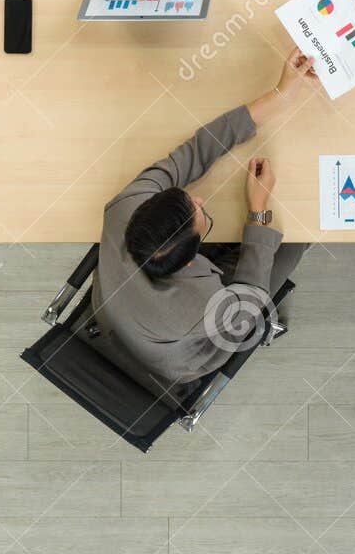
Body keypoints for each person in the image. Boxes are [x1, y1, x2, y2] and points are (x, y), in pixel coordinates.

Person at [93, 48, 318, 386]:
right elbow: (247, 302)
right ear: (188, 262)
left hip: (121, 315)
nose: (198, 198)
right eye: (199, 211)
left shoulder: (126, 207)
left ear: (145, 209)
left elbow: (193, 153)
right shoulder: (199, 306)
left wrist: (279, 96)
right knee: (295, 235)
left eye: (187, 200)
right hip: (183, 352)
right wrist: (257, 210)